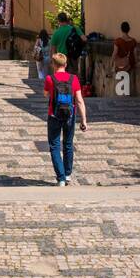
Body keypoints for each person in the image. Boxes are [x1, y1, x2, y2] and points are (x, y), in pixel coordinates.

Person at [43, 52, 87, 186]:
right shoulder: (73, 79)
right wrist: (83, 120)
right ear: (65, 64)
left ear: (53, 65)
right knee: (68, 144)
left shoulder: (50, 79)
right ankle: (67, 174)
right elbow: (79, 100)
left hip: (54, 115)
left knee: (55, 145)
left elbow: (46, 95)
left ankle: (61, 178)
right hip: (70, 115)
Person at [112, 21, 139, 91]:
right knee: (130, 84)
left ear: (121, 29)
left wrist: (112, 62)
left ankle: (122, 98)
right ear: (129, 29)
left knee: (121, 85)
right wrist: (136, 63)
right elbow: (135, 54)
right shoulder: (133, 41)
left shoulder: (118, 41)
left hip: (120, 65)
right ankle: (129, 98)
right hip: (130, 64)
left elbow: (115, 53)